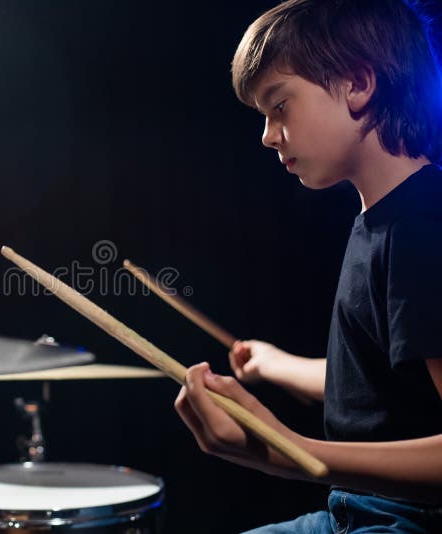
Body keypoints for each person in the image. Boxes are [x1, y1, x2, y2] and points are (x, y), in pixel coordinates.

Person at [173, 0, 442, 531]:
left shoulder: (423, 224)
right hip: (363, 512)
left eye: (279, 106)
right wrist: (273, 364)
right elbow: (385, 388)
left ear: (357, 86)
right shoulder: (388, 217)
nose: (268, 135)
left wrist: (289, 451)